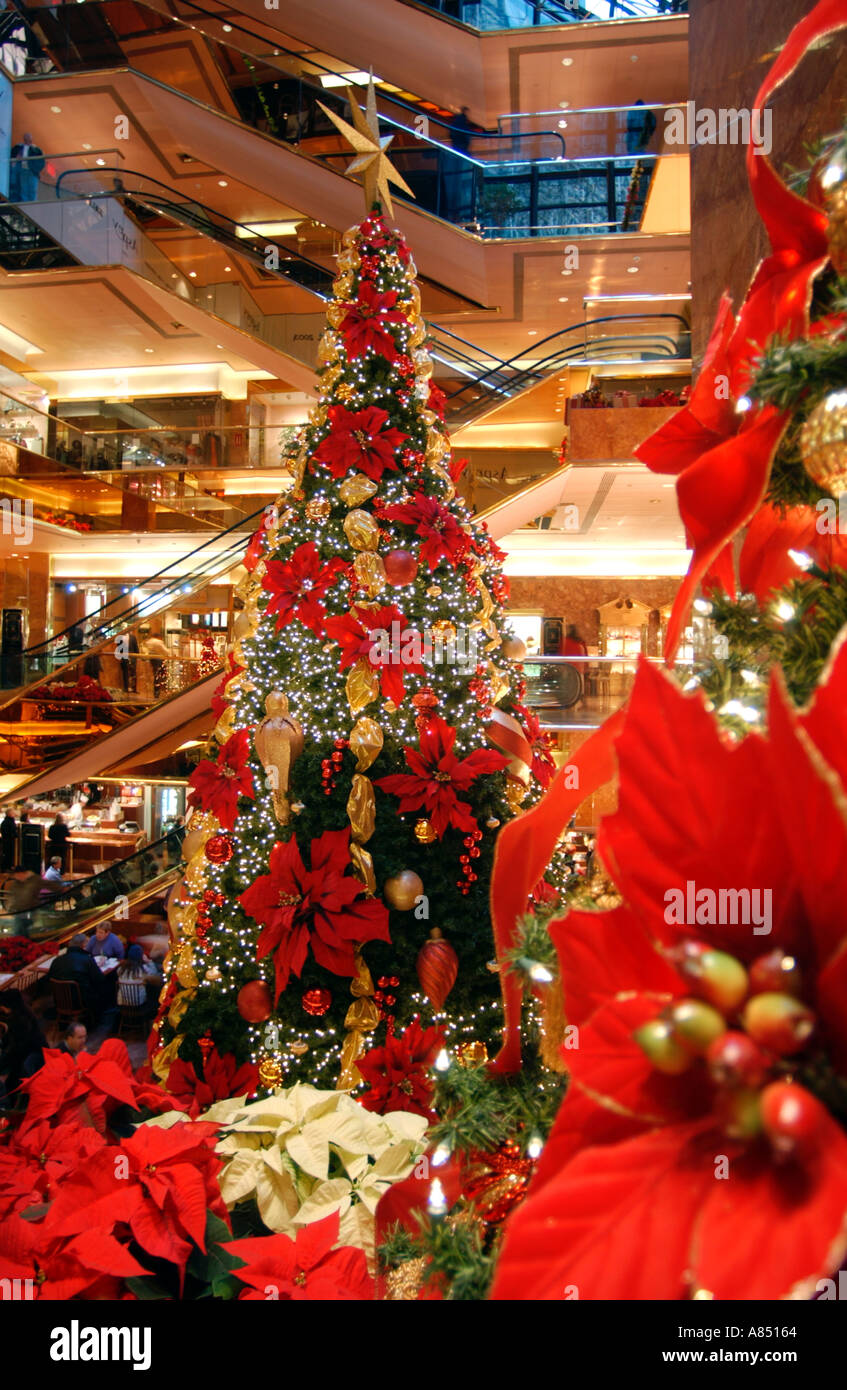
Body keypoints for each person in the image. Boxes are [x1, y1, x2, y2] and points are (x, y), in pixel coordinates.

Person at [48, 933, 108, 1019]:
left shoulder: (56, 961)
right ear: (84, 945)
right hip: (82, 1001)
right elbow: (100, 979)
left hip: (60, 1002)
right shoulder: (87, 960)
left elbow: (49, 979)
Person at [0, 991, 44, 1103]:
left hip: (31, 1056)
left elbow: (16, 1050)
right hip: (26, 1053)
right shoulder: (21, 1013)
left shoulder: (21, 1022)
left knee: (13, 1083)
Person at [116, 943, 162, 1016]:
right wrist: (148, 961)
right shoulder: (143, 969)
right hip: (139, 1004)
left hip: (123, 1004)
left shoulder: (120, 969)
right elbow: (155, 974)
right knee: (153, 991)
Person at [10, 132, 45, 202]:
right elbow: (13, 157)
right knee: (23, 189)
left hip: (32, 171)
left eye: (29, 139)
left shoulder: (36, 149)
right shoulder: (19, 147)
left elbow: (41, 162)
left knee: (32, 189)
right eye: (26, 138)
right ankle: (24, 205)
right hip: (23, 171)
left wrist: (36, 169)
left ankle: (32, 205)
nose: (28, 140)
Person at [139, 627, 169, 697]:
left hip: (152, 659)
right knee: (159, 675)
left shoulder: (148, 642)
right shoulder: (158, 642)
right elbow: (166, 651)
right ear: (159, 637)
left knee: (156, 674)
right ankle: (158, 691)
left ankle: (156, 690)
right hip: (158, 659)